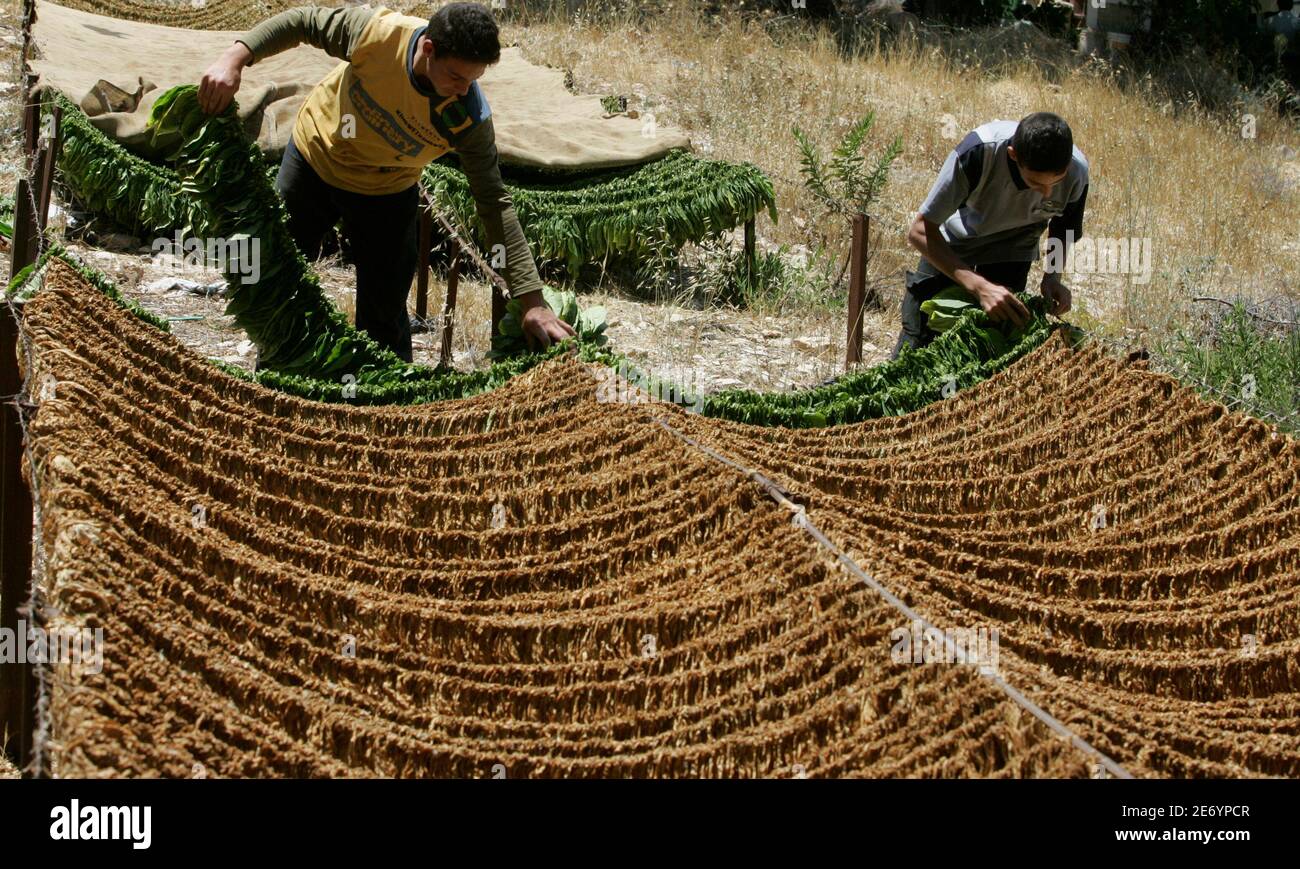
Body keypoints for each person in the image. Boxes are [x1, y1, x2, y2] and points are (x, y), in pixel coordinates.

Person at [200, 3, 574, 363]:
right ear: (429, 49)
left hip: (386, 190)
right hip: (317, 158)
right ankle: (277, 377)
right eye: (457, 76)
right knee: (277, 277)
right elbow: (303, 21)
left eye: (474, 80)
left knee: (383, 314)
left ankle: (382, 407)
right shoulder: (377, 36)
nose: (464, 89)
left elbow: (493, 202)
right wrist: (233, 58)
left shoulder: (467, 117)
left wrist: (532, 303)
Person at [893, 112, 1089, 358]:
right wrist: (979, 286)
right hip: (954, 243)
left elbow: (1063, 229)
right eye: (1036, 183)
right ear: (1013, 156)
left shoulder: (1077, 171)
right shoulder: (977, 152)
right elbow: (920, 231)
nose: (1048, 194)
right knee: (918, 342)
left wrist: (1053, 277)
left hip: (1013, 248)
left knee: (989, 347)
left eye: (1056, 182)